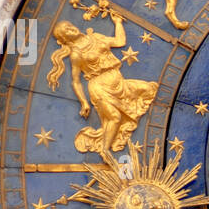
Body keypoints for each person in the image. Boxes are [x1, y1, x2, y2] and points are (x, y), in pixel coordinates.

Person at [46, 10, 157, 155]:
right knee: (115, 117)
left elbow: (120, 41)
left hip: (117, 80)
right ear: (65, 39)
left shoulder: (96, 37)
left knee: (149, 89)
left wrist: (118, 22)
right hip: (100, 87)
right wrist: (84, 102)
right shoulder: (76, 54)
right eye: (66, 30)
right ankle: (105, 151)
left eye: (69, 25)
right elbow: (76, 81)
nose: (71, 28)